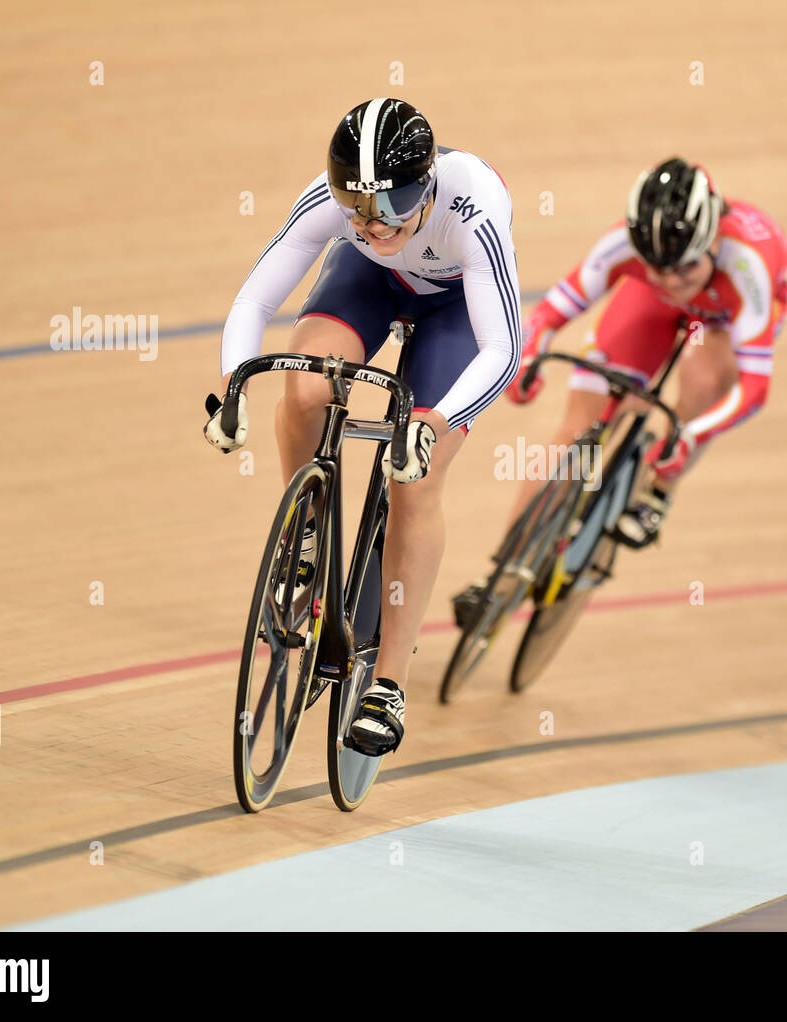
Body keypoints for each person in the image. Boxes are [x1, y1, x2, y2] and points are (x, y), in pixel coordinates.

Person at [204, 97, 521, 755]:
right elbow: (256, 299)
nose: (375, 225)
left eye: (392, 208)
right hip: (369, 287)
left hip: (457, 312)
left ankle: (389, 684)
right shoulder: (329, 202)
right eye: (357, 209)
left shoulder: (474, 205)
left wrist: (436, 421)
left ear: (428, 184)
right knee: (306, 386)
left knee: (416, 476)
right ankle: (307, 535)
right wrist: (234, 383)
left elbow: (503, 348)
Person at [453, 156, 787, 625]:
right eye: (657, 267)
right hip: (652, 307)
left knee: (702, 381)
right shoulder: (629, 246)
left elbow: (754, 388)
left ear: (712, 241)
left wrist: (688, 436)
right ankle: (503, 573)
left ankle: (657, 494)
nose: (671, 280)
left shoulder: (747, 264)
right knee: (579, 426)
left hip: (725, 316)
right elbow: (550, 312)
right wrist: (526, 359)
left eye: (684, 267)